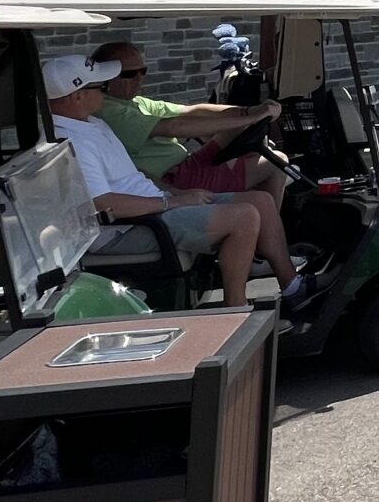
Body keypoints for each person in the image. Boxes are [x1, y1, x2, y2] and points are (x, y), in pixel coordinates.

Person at [45, 56, 305, 315]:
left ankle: (292, 285)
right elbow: (103, 203)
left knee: (260, 201)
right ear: (77, 96)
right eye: (100, 86)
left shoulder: (92, 124)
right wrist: (172, 202)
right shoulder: (72, 142)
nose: (106, 90)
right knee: (244, 217)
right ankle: (235, 309)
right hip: (125, 230)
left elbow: (133, 175)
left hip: (152, 206)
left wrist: (177, 193)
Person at [90, 39, 288, 209]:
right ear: (106, 77)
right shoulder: (108, 110)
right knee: (277, 163)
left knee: (243, 131)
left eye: (143, 71)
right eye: (130, 75)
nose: (140, 80)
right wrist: (250, 118)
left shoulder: (136, 103)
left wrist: (249, 111)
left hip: (187, 166)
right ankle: (264, 240)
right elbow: (173, 128)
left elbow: (191, 111)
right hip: (171, 180)